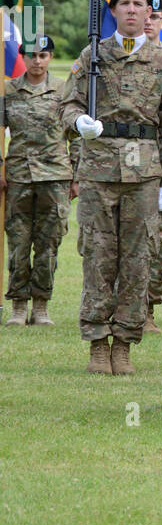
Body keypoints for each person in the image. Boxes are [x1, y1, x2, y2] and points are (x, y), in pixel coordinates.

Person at [60, 0, 162, 375]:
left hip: (145, 171)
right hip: (98, 167)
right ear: (113, 10)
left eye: (139, 4)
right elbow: (66, 105)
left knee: (138, 259)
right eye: (125, 3)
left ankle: (125, 342)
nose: (132, 10)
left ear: (150, 13)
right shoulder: (92, 54)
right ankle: (98, 341)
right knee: (98, 255)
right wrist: (79, 121)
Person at [2, 34, 74, 326]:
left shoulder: (64, 90)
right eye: (31, 55)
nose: (37, 60)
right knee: (18, 243)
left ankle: (41, 305)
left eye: (43, 55)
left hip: (55, 176)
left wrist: (77, 176)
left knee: (48, 244)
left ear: (50, 58)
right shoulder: (8, 90)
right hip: (18, 176)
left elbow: (76, 134)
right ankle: (19, 305)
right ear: (23, 57)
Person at [143, 0, 162, 331]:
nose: (149, 21)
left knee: (160, 237)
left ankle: (150, 305)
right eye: (145, 15)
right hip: (135, 161)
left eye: (156, 16)